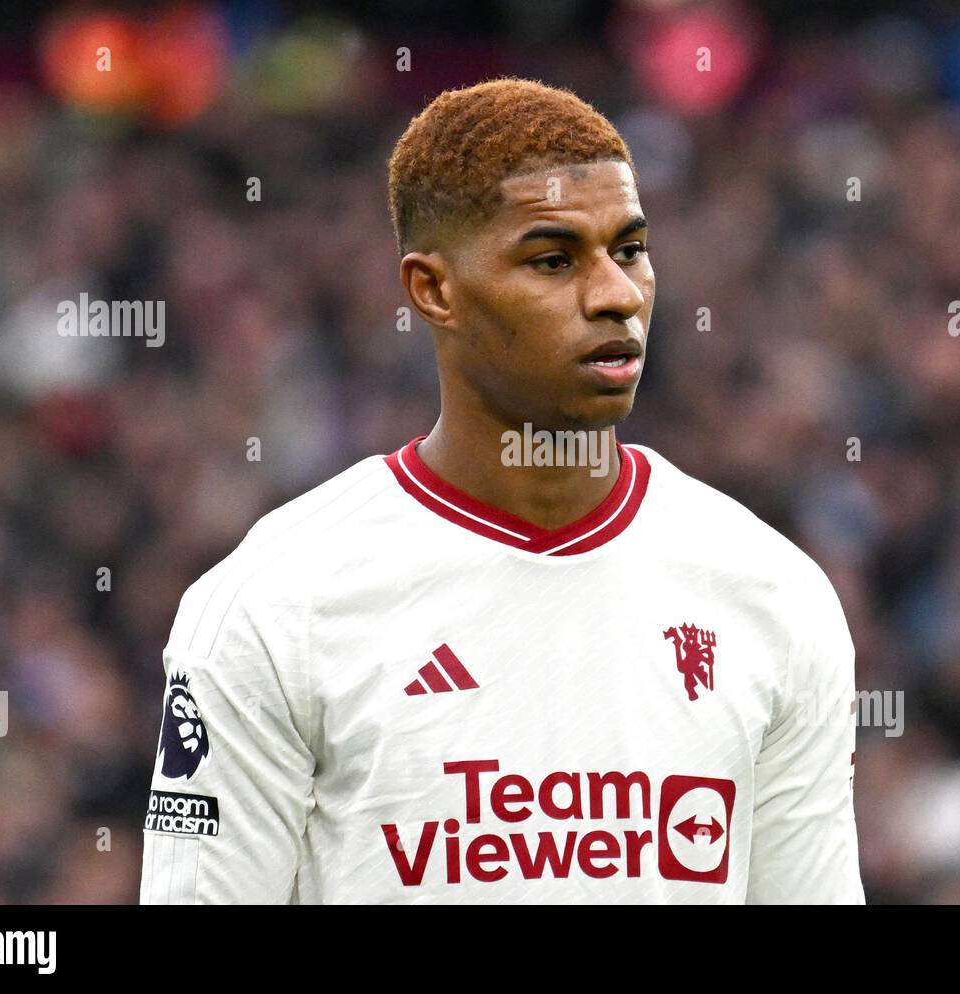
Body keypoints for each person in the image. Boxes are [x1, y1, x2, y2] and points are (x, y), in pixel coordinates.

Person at [139, 77, 864, 904]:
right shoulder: (273, 604)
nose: (617, 295)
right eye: (553, 259)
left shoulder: (774, 596)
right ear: (434, 290)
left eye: (629, 249)